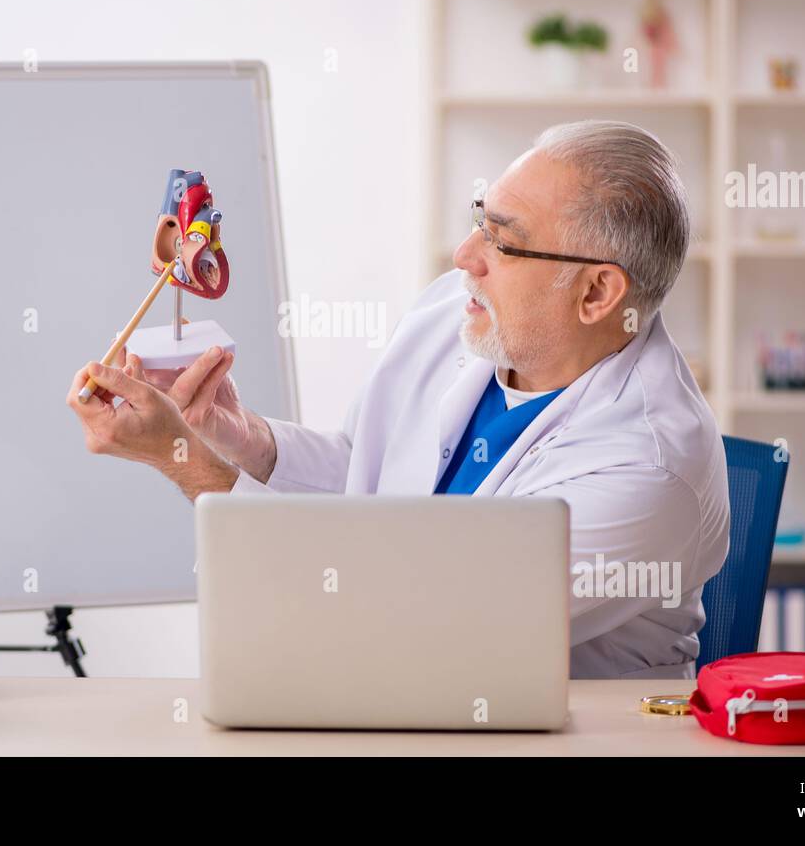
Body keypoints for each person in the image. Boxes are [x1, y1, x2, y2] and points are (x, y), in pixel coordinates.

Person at [68, 120, 730, 678]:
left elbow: (412, 621)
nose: (465, 253)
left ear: (596, 295)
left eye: (504, 239)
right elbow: (368, 476)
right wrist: (238, 437)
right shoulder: (463, 311)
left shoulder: (647, 467)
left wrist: (184, 460)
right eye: (479, 221)